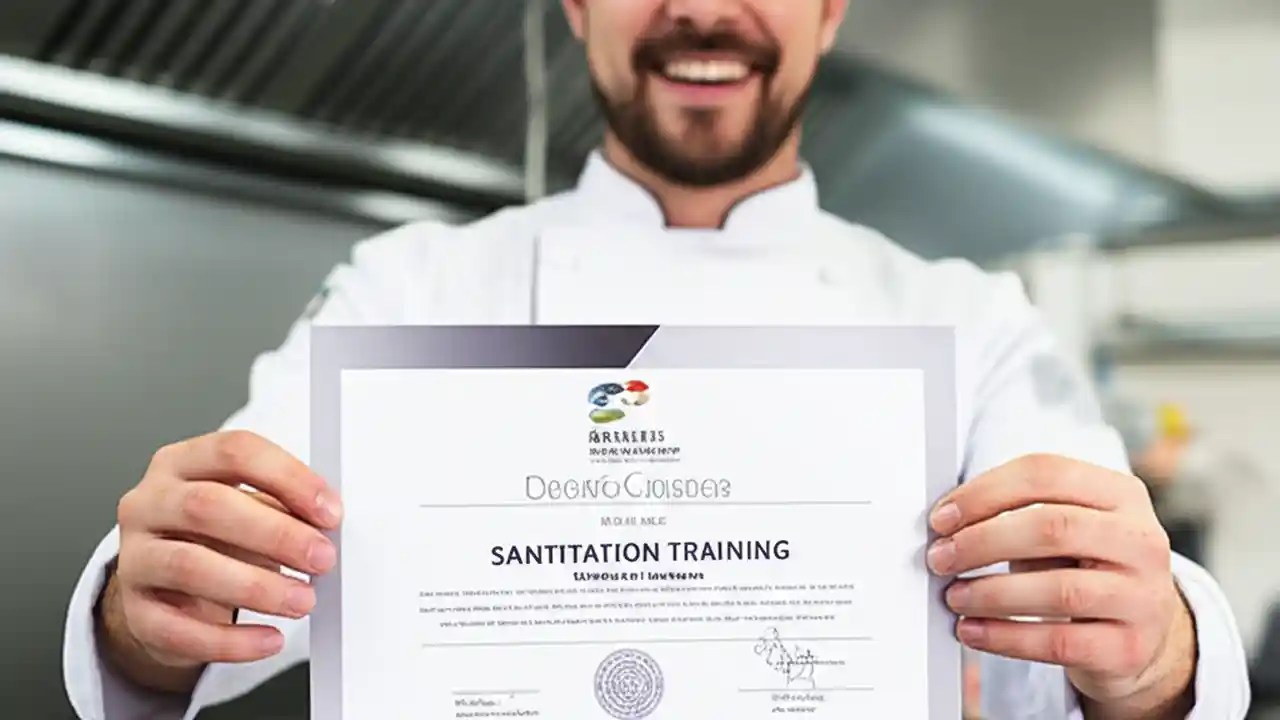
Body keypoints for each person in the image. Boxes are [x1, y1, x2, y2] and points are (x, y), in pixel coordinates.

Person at [63, 1, 1250, 718]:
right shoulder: (406, 291)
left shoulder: (968, 325)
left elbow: (1104, 656)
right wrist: (146, 604)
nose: (701, 11)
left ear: (830, 8)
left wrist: (1153, 652)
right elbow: (209, 601)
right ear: (576, 7)